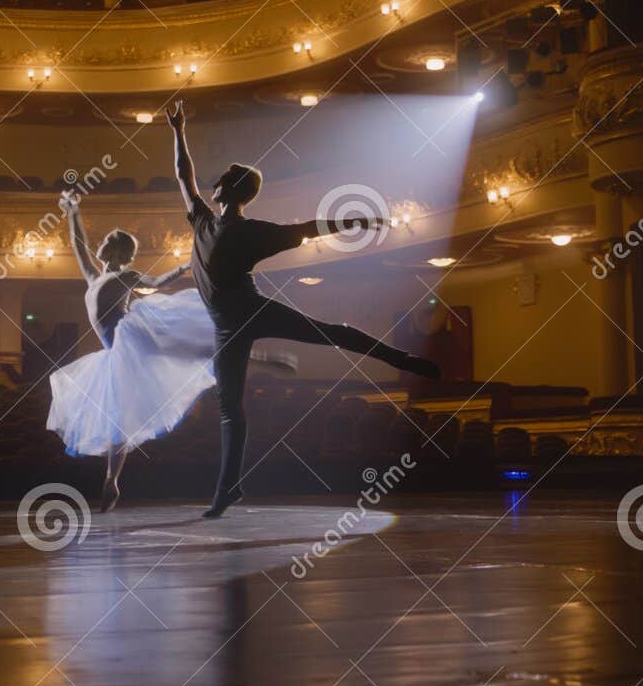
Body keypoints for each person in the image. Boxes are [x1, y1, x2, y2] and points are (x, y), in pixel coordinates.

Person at [166, 101, 440, 518]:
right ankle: (229, 490)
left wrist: (356, 221)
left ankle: (403, 360)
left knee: (330, 332)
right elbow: (183, 175)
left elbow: (307, 230)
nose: (214, 182)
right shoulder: (202, 219)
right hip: (226, 328)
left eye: (222, 178)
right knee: (230, 409)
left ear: (232, 188)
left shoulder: (252, 232)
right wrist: (178, 129)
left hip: (249, 312)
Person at [45, 192, 217, 512]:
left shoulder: (127, 275)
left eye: (109, 240)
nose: (101, 243)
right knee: (117, 421)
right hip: (112, 354)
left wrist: (183, 267)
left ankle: (225, 354)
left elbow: (155, 281)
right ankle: (112, 480)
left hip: (128, 341)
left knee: (172, 351)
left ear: (117, 250)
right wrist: (73, 212)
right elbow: (79, 244)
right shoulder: (94, 277)